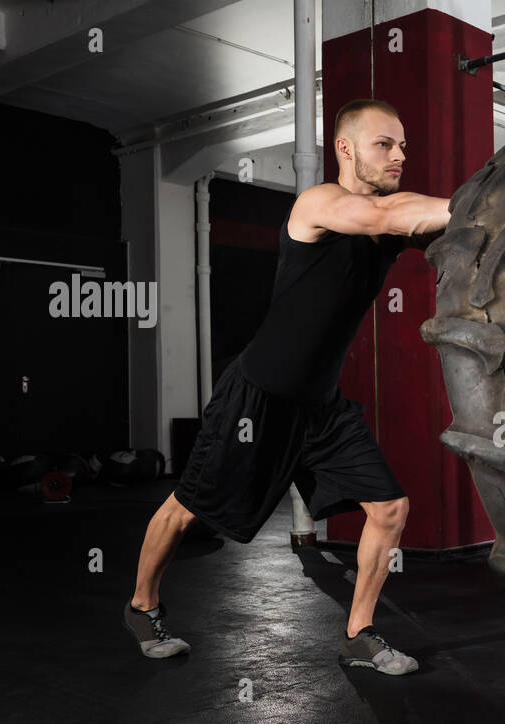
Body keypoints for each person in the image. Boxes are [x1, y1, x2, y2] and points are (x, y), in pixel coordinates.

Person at [122, 98, 450, 676]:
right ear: (345, 149)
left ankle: (359, 634)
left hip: (321, 408)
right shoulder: (319, 203)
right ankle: (142, 607)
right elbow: (386, 215)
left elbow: (420, 219)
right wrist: (479, 202)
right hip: (256, 397)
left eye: (403, 145)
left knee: (390, 508)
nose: (399, 155)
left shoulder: (390, 220)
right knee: (188, 510)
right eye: (385, 144)